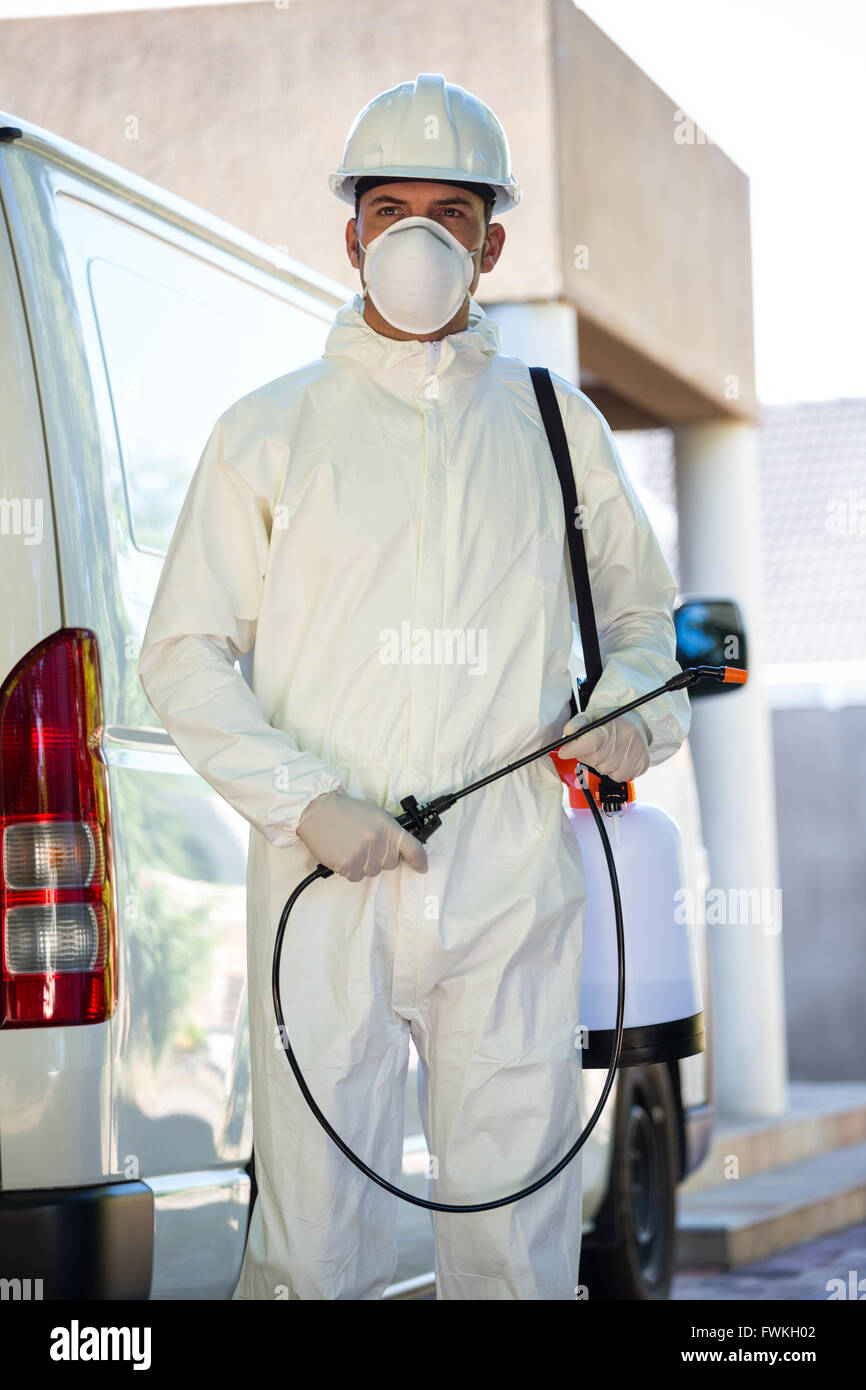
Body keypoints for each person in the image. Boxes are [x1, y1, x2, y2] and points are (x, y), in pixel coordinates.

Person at [137, 72, 690, 1301]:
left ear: (494, 239)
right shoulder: (268, 431)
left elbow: (648, 630)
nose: (420, 239)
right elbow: (179, 654)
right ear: (350, 234)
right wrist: (302, 802)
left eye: (452, 212)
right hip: (319, 890)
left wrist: (630, 719)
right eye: (391, 209)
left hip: (506, 891)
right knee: (309, 1252)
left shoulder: (557, 428)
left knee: (516, 1250)